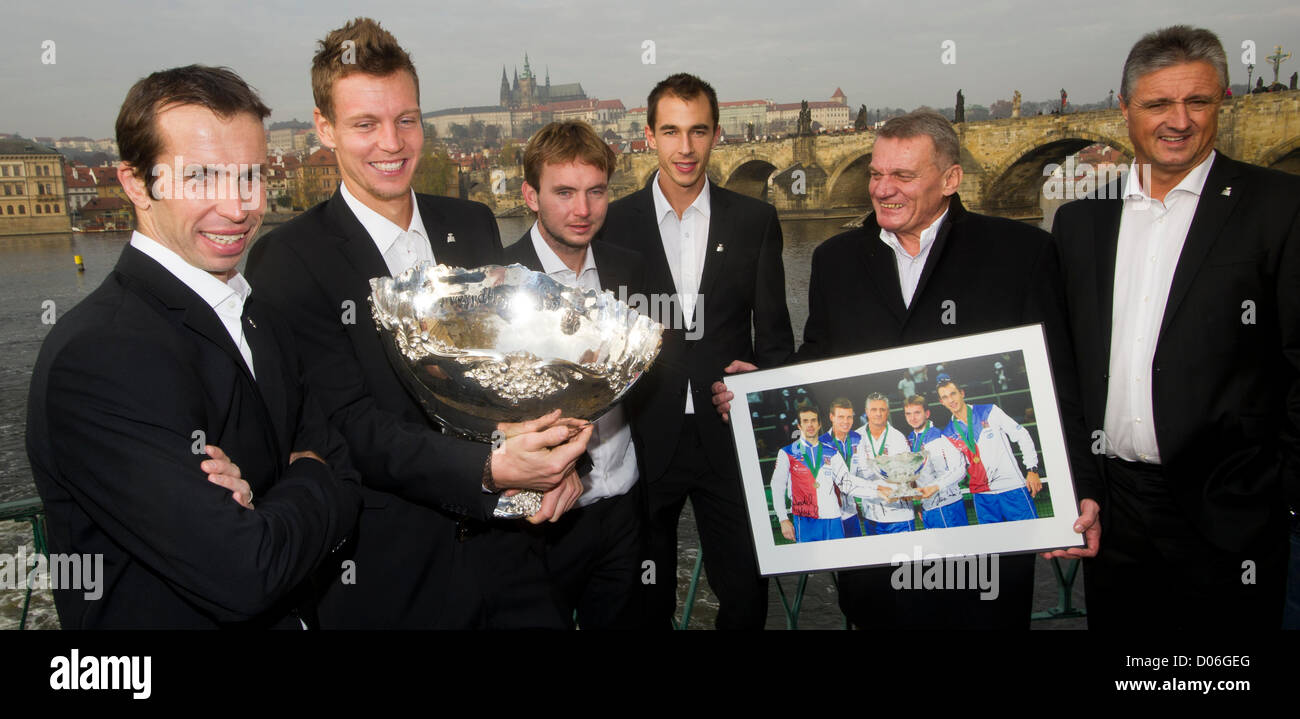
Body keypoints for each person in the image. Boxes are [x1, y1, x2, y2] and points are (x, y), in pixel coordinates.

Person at [245, 17, 589, 629]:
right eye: (365, 124)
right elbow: (350, 426)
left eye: (406, 119)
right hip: (389, 578)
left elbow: (524, 369)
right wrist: (488, 470)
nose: (392, 143)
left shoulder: (473, 222)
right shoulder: (289, 259)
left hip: (513, 555)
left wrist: (565, 467)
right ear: (324, 128)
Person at [713, 110, 1097, 630]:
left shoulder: (1021, 252)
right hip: (878, 539)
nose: (883, 189)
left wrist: (1081, 485)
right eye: (875, 174)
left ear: (950, 179)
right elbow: (820, 359)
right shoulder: (836, 259)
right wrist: (758, 386)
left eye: (903, 176)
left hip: (978, 540)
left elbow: (1058, 380)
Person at [26, 65, 362, 628]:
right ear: (136, 183)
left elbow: (347, 470)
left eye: (249, 176)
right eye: (202, 178)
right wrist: (309, 475)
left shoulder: (264, 317)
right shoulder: (99, 356)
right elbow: (246, 570)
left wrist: (265, 501)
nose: (237, 208)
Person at [1050, 25, 1299, 629]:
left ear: (1224, 104)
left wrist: (1276, 493)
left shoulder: (1279, 206)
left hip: (1231, 507)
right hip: (1112, 509)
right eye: (1159, 103)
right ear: (1125, 108)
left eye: (1198, 102)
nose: (1178, 121)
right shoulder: (1080, 222)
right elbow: (1066, 367)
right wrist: (1080, 483)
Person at [601, 72, 795, 629]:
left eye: (698, 131)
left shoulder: (754, 220)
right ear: (649, 136)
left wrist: (760, 390)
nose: (684, 149)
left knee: (744, 593)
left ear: (716, 135)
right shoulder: (614, 223)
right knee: (645, 596)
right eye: (671, 131)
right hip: (641, 436)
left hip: (729, 433)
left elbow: (775, 338)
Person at [500, 120, 646, 628]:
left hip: (626, 508)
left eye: (595, 192)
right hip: (546, 519)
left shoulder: (633, 270)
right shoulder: (498, 282)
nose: (583, 210)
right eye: (564, 192)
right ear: (530, 196)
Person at [935, 376, 1040, 523]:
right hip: (982, 497)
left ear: (962, 393)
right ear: (941, 402)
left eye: (953, 394)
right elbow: (957, 470)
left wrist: (1032, 469)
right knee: (996, 545)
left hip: (1012, 488)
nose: (951, 400)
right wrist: (935, 486)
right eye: (945, 397)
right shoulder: (948, 434)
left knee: (1032, 539)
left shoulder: (989, 411)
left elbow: (1022, 435)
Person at [770, 402, 845, 543]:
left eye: (813, 420)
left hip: (833, 518)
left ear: (819, 424)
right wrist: (783, 519)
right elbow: (777, 487)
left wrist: (879, 490)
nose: (810, 425)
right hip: (805, 520)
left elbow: (848, 482)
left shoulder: (832, 452)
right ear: (799, 426)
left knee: (839, 561)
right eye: (805, 421)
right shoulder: (787, 452)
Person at [903, 394, 969, 529]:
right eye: (908, 414)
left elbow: (959, 471)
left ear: (927, 413)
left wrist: (935, 491)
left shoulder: (940, 437)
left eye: (917, 413)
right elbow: (921, 477)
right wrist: (923, 504)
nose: (912, 418)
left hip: (947, 505)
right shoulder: (911, 439)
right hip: (929, 507)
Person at [853, 393, 913, 534]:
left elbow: (909, 473)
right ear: (867, 412)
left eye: (882, 409)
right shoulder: (856, 438)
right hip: (871, 516)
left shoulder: (898, 438)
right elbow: (851, 475)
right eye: (874, 410)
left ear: (888, 411)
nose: (878, 414)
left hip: (899, 515)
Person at [820, 397, 863, 537]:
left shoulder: (859, 439)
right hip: (831, 515)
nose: (846, 421)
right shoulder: (821, 444)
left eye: (849, 417)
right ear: (831, 417)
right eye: (841, 417)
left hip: (852, 512)